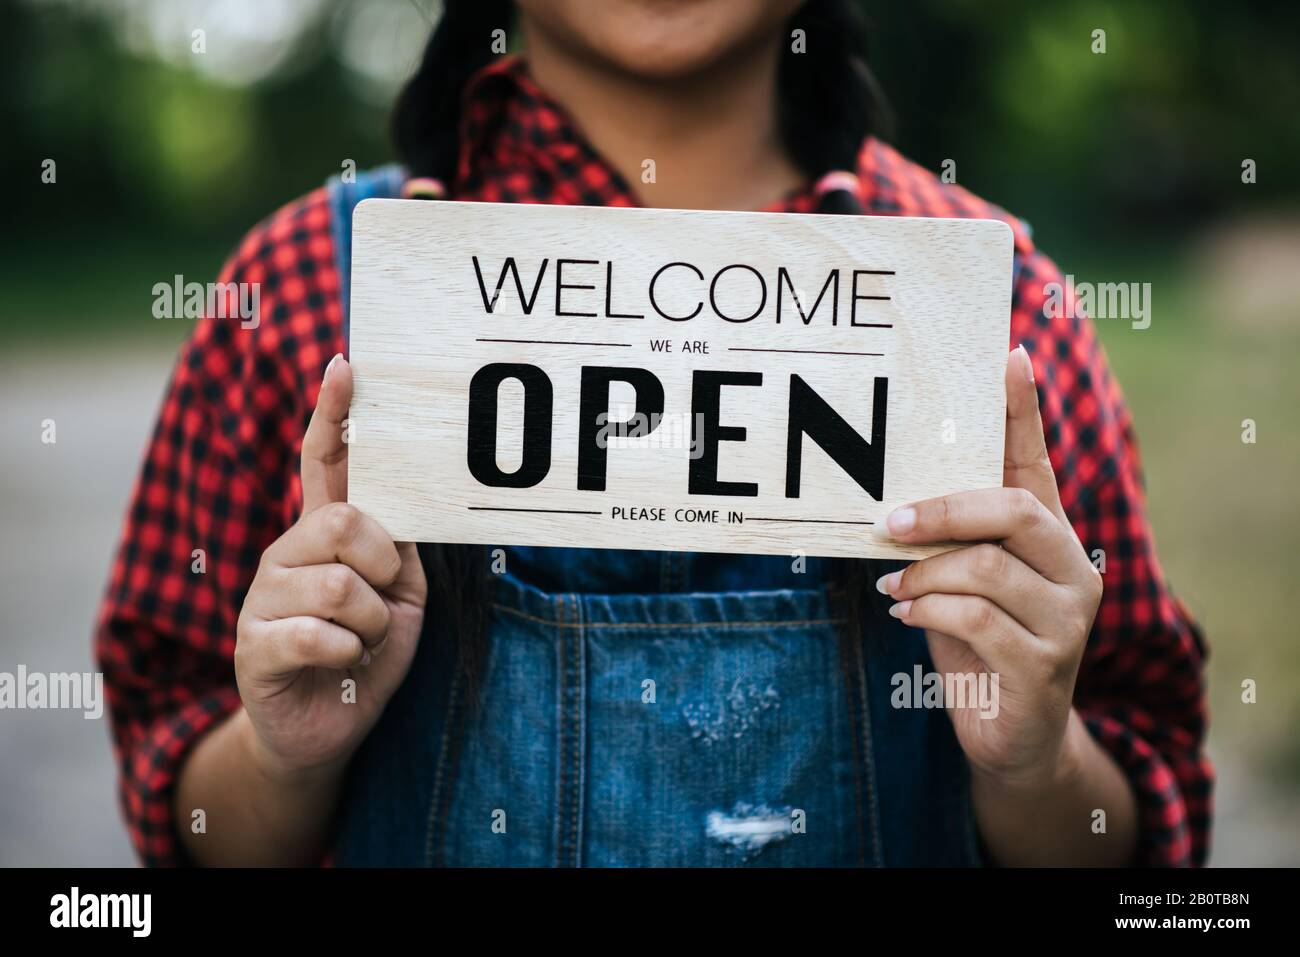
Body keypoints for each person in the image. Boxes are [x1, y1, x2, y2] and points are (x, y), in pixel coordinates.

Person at [96, 0, 1211, 867]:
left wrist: (1032, 762)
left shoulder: (1001, 314)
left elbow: (1153, 844)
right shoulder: (298, 291)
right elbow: (186, 818)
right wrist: (284, 756)